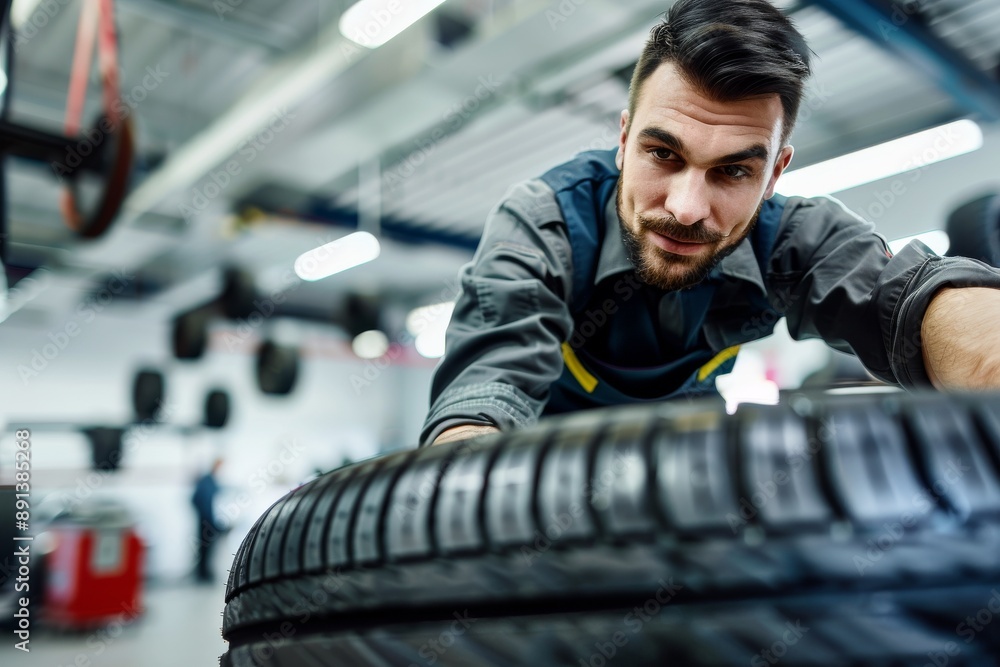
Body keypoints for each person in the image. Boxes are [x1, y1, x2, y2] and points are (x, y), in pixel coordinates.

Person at [420, 0, 1000, 447]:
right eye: (663, 155)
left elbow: (913, 303)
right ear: (623, 141)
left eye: (732, 171)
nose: (687, 208)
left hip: (684, 481)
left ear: (775, 173)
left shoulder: (793, 240)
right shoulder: (544, 223)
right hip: (537, 489)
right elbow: (481, 400)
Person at [191, 457, 225, 583]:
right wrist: (205, 517)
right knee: (205, 548)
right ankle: (203, 575)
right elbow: (196, 500)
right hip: (206, 521)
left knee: (207, 548)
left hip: (208, 520)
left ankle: (205, 573)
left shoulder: (211, 481)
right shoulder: (207, 481)